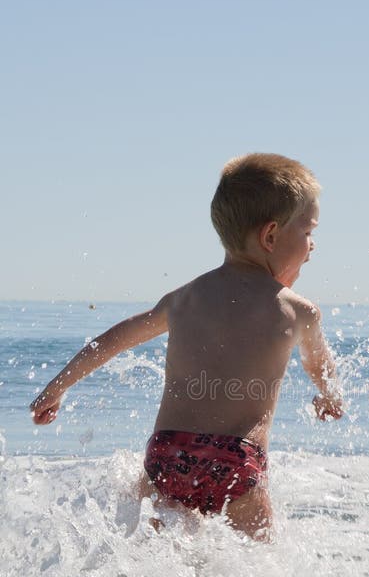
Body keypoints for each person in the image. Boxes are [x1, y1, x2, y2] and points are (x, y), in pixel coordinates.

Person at [30, 153, 343, 540]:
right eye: (308, 231)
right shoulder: (299, 312)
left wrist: (57, 388)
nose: (313, 246)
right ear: (271, 236)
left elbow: (113, 340)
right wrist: (330, 396)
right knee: (260, 571)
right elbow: (319, 367)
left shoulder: (184, 299)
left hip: (168, 456)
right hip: (237, 462)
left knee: (150, 562)